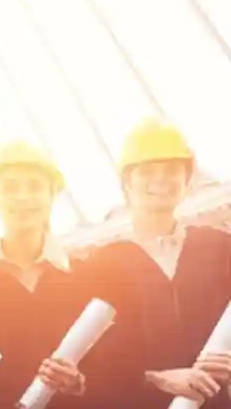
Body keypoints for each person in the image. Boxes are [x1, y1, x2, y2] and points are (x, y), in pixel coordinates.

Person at [79, 119, 231, 409]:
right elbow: (91, 367)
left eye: (172, 170)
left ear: (187, 179)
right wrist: (155, 379)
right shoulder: (100, 267)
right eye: (148, 172)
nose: (161, 180)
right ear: (127, 183)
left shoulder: (219, 247)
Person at [0, 141, 89, 407]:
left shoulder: (85, 277)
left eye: (35, 186)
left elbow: (113, 364)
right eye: (10, 187)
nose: (22, 197)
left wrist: (80, 383)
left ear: (52, 195)